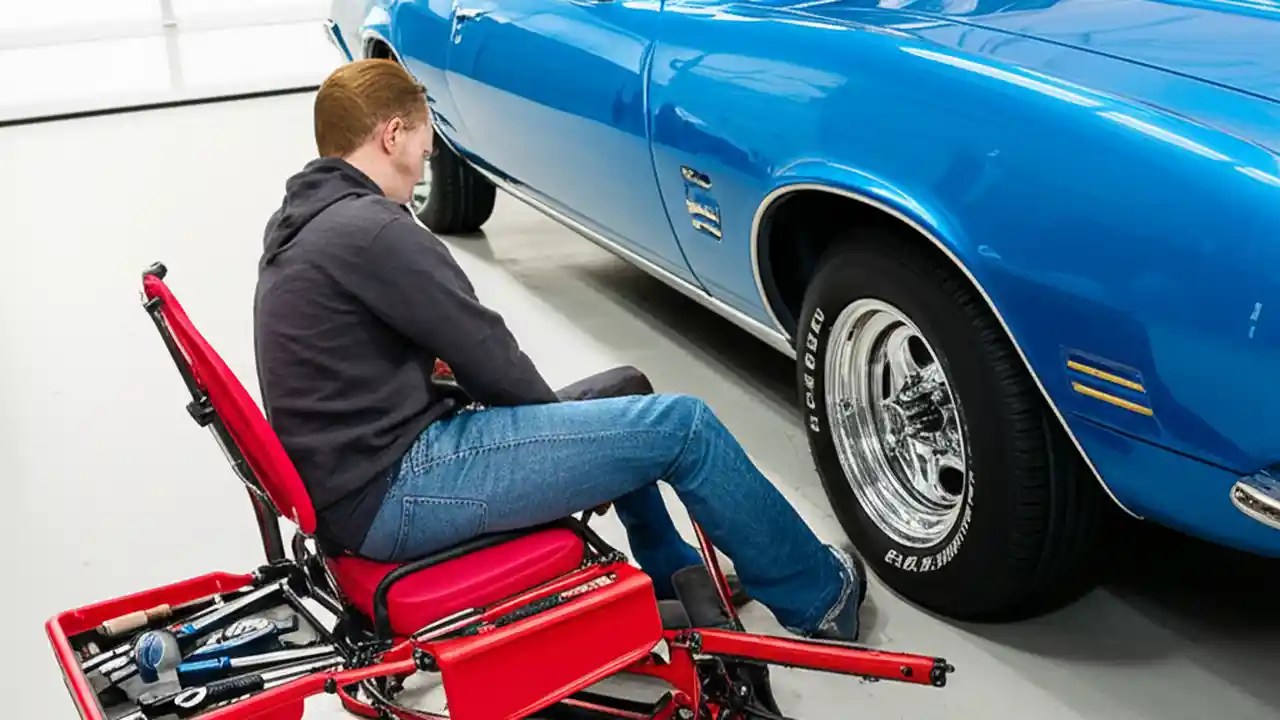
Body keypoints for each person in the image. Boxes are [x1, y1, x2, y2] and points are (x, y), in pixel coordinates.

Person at [253, 58, 867, 641]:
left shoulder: (310, 225)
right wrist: (562, 442)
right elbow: (487, 354)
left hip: (365, 478)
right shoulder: (375, 231)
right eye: (423, 148)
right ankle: (821, 598)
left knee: (624, 388)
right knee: (683, 427)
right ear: (391, 135)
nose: (421, 169)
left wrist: (572, 436)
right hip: (394, 489)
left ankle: (673, 573)